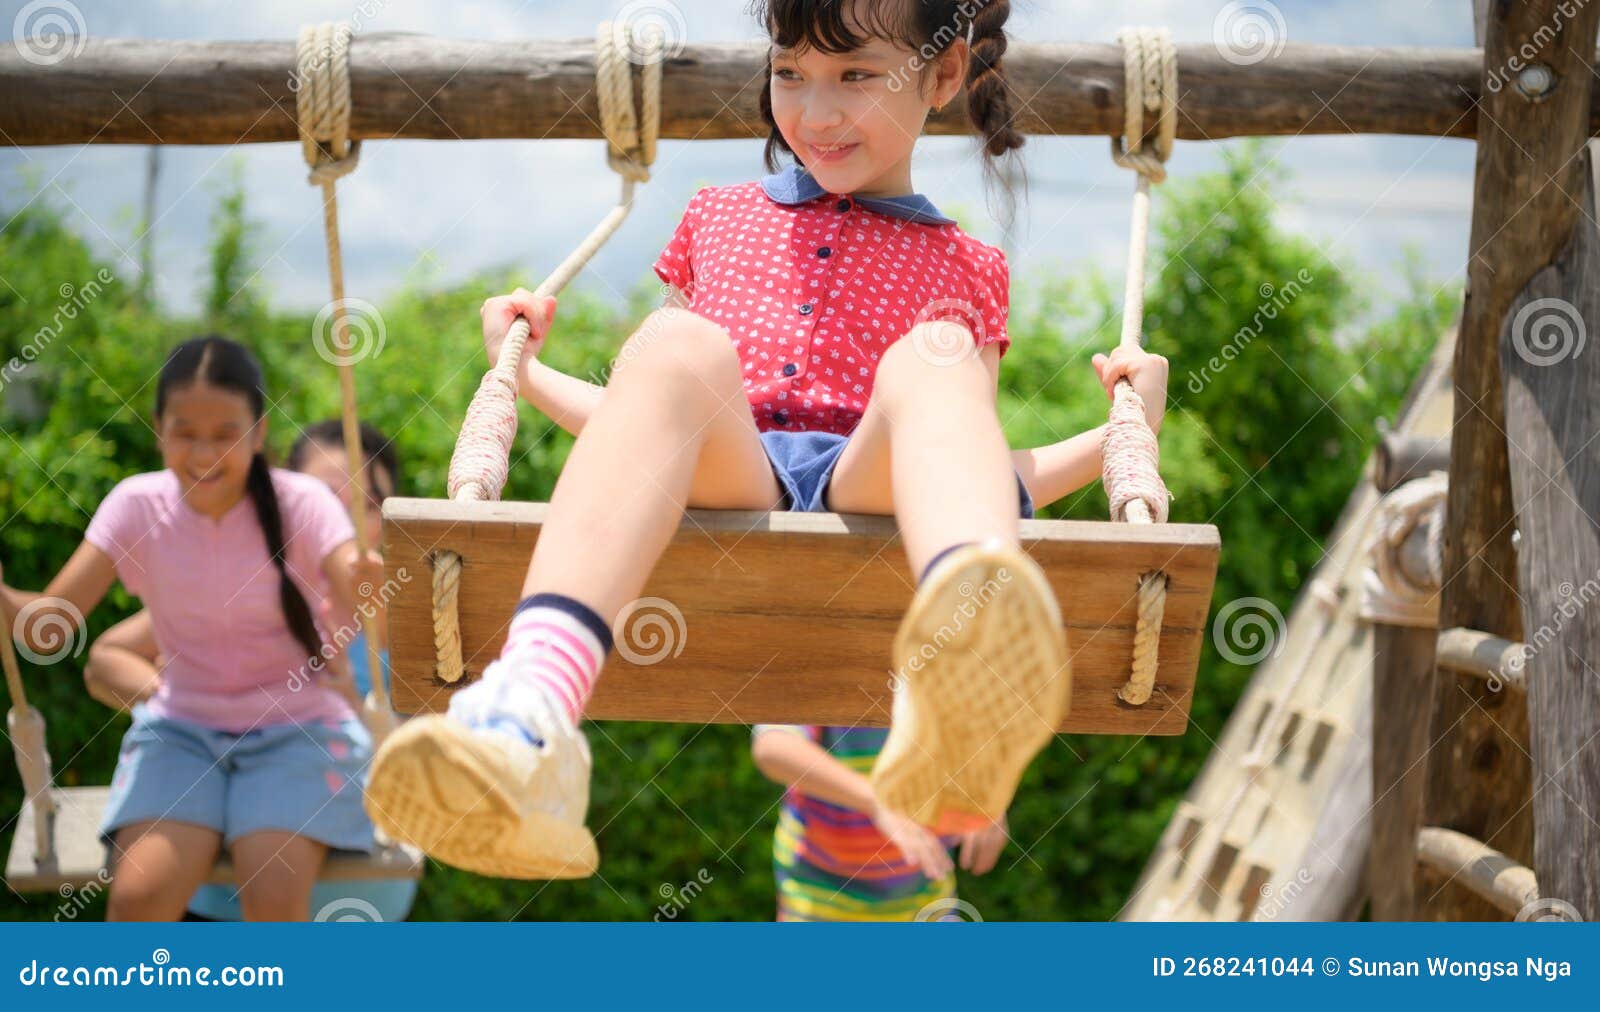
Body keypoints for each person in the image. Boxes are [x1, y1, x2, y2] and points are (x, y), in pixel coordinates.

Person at [364, 0, 1169, 880]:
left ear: (943, 76)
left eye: (856, 75)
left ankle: (969, 648)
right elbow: (651, 431)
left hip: (876, 481)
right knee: (673, 346)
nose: (816, 114)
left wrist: (1119, 431)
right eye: (791, 73)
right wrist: (522, 374)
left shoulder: (969, 268)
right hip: (734, 470)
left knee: (935, 354)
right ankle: (530, 711)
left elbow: (964, 458)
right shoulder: (715, 217)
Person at [0, 337, 385, 920]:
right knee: (137, 901)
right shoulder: (134, 506)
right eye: (185, 432)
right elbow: (47, 626)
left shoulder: (304, 504)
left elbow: (363, 596)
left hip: (297, 728)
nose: (204, 452)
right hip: (182, 732)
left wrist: (367, 585)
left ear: (258, 434)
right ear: (158, 429)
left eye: (226, 432)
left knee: (272, 896)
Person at [82, 420, 417, 922]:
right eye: (325, 501)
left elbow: (425, 774)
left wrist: (350, 703)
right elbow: (104, 660)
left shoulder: (409, 623)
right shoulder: (239, 597)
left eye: (366, 505)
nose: (342, 523)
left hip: (360, 904)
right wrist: (174, 694)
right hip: (215, 902)